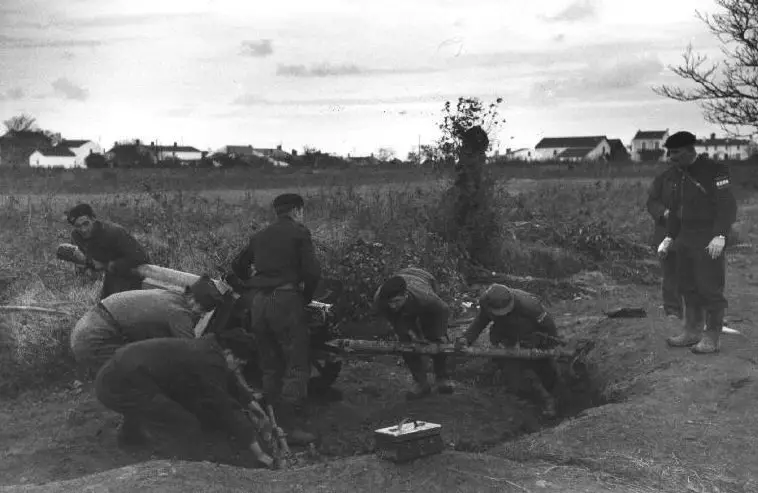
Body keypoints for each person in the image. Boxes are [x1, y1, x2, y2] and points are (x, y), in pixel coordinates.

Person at [94, 330, 274, 468]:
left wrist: (254, 406)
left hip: (118, 374)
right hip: (118, 386)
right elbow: (226, 408)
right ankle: (187, 468)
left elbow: (229, 380)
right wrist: (259, 454)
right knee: (185, 423)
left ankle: (130, 439)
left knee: (157, 403)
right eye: (239, 363)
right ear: (228, 352)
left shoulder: (209, 347)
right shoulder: (208, 362)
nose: (238, 369)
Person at [228, 193, 322, 445]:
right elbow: (313, 271)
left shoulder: (260, 236)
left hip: (258, 302)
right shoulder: (299, 232)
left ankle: (271, 422)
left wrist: (253, 284)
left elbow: (237, 266)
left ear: (277, 211)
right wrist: (305, 296)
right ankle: (292, 428)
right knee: (296, 363)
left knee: (270, 365)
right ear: (297, 210)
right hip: (285, 301)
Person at [658, 131, 738, 354]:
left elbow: (727, 205)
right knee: (687, 285)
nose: (671, 157)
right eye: (669, 152)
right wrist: (669, 237)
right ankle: (692, 331)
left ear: (689, 150)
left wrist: (720, 235)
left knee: (710, 287)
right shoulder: (677, 174)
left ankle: (712, 337)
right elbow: (675, 208)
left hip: (708, 236)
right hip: (685, 237)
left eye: (675, 152)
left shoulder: (715, 170)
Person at [70, 274, 224, 373]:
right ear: (191, 297)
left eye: (204, 310)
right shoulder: (180, 313)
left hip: (90, 323)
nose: (200, 313)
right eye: (201, 307)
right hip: (93, 337)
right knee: (137, 377)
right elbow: (191, 352)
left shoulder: (172, 294)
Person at [455, 284, 563, 417]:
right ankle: (533, 398)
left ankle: (552, 397)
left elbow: (548, 326)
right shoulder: (485, 302)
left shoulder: (529, 305)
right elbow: (481, 321)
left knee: (544, 368)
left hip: (532, 333)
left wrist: (552, 346)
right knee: (515, 377)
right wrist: (466, 339)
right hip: (504, 334)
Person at [373, 267, 454, 399]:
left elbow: (443, 310)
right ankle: (421, 383)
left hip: (425, 279)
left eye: (396, 301)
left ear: (405, 295)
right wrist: (409, 333)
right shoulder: (380, 300)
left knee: (436, 338)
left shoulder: (425, 298)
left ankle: (442, 377)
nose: (392, 305)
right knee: (406, 343)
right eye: (390, 303)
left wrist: (439, 334)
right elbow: (393, 320)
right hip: (401, 277)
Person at [67, 203, 150, 300]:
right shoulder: (76, 236)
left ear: (93, 219)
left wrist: (109, 265)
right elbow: (86, 258)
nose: (83, 229)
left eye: (86, 224)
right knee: (104, 307)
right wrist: (87, 265)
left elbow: (141, 257)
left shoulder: (113, 232)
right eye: (78, 226)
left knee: (122, 305)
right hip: (110, 277)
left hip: (134, 275)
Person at [646, 160, 684, 319]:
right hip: (667, 233)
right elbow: (651, 202)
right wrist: (664, 212)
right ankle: (673, 310)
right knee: (671, 274)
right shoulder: (663, 179)